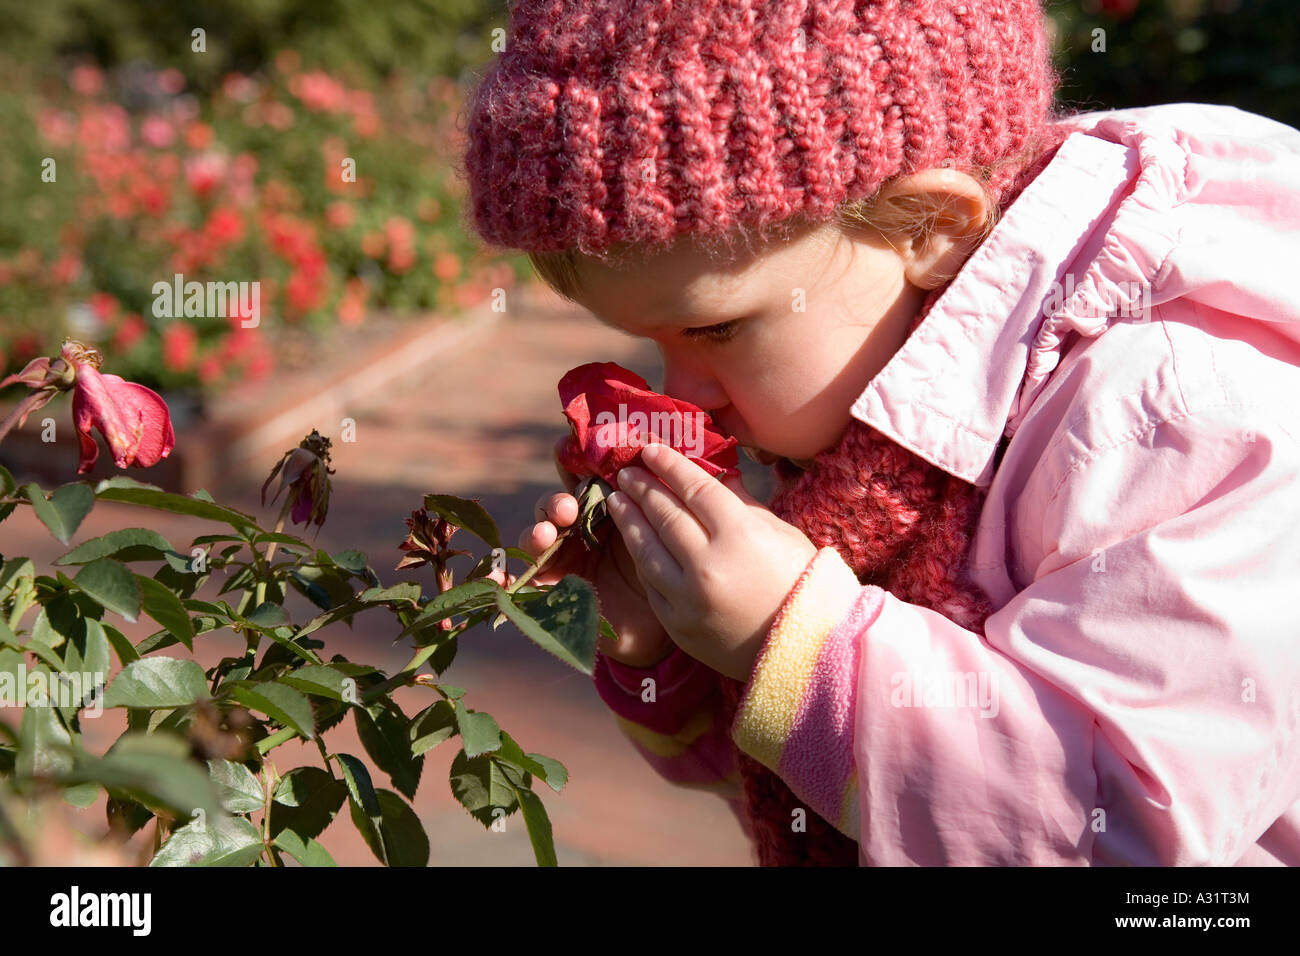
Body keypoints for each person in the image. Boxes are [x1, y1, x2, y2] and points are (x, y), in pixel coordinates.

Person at [461, 0, 1300, 865]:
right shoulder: (877, 413)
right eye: (650, 341)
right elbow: (822, 790)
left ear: (929, 228)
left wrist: (799, 643)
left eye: (714, 331)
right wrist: (667, 642)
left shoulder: (1169, 419)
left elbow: (1120, 833)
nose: (687, 395)